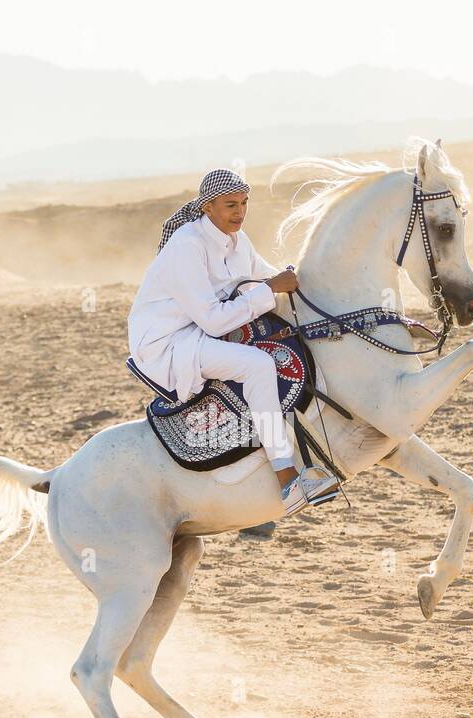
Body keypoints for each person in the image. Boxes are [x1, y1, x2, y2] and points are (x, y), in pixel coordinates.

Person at [127, 168, 339, 515]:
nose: (239, 212)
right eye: (230, 205)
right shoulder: (187, 245)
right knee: (257, 364)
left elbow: (272, 281)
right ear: (207, 207)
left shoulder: (240, 242)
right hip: (168, 342)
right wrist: (270, 289)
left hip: (204, 329)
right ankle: (287, 478)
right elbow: (213, 318)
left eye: (244, 204)